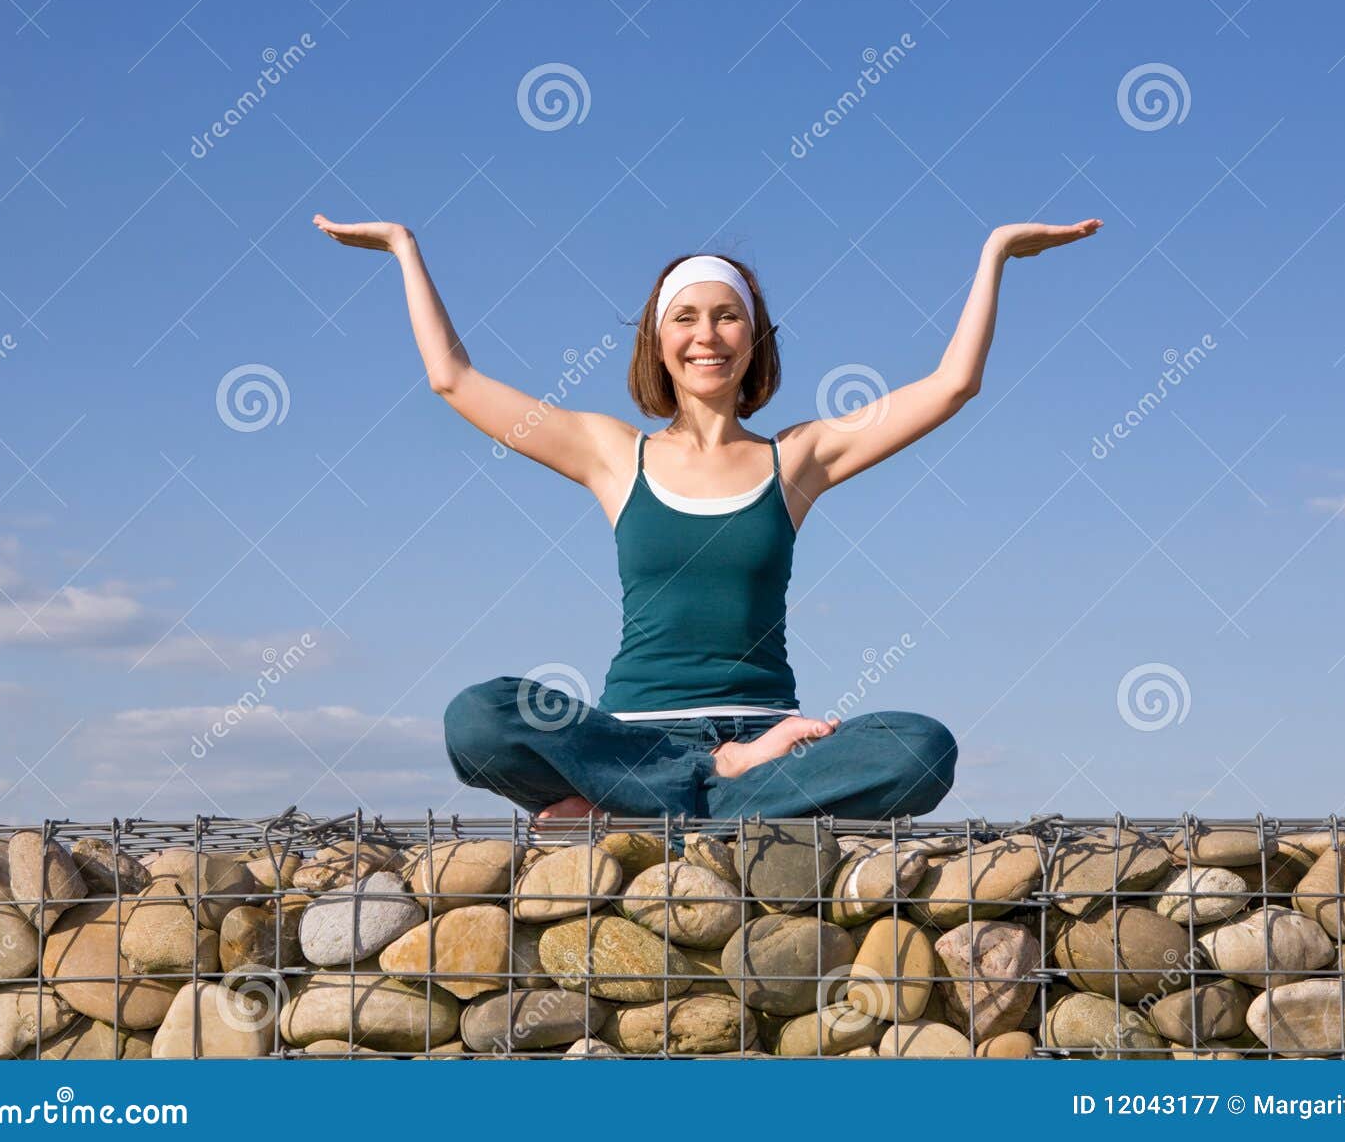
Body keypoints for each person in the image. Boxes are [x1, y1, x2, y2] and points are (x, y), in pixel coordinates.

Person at [313, 212, 1102, 822]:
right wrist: (404, 248)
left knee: (922, 749)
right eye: (685, 316)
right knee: (477, 718)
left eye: (727, 316)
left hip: (770, 740)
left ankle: (643, 809)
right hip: (629, 739)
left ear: (753, 338)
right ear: (657, 339)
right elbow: (453, 379)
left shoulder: (797, 458)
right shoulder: (613, 454)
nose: (706, 335)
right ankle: (708, 793)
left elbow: (952, 384)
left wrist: (996, 253)